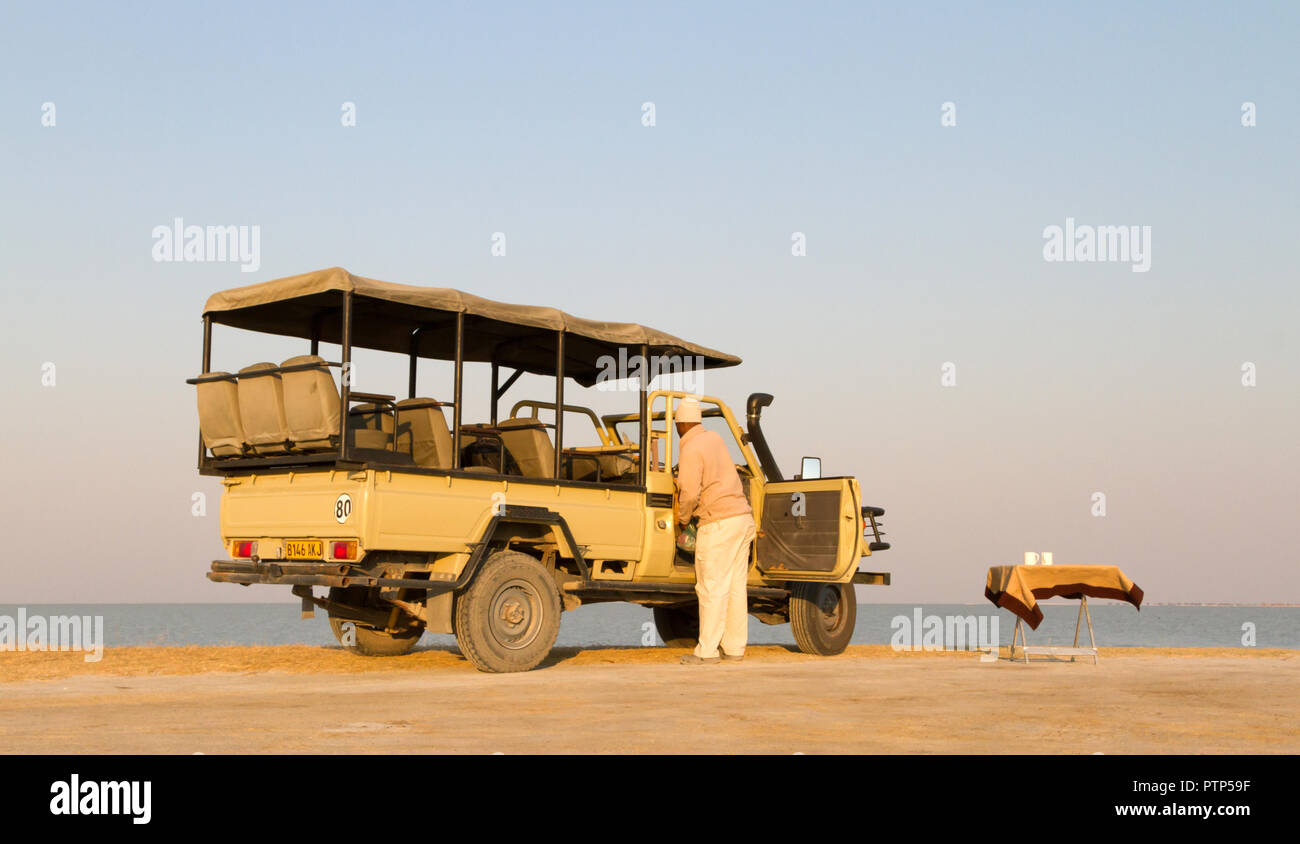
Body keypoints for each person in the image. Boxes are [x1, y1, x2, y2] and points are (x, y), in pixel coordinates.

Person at [673, 396, 756, 665]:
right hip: (742, 519)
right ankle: (734, 648)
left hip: (718, 523)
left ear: (681, 424)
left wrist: (683, 520)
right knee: (734, 587)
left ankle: (706, 651)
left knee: (711, 587)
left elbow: (688, 491)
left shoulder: (691, 448)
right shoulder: (715, 439)